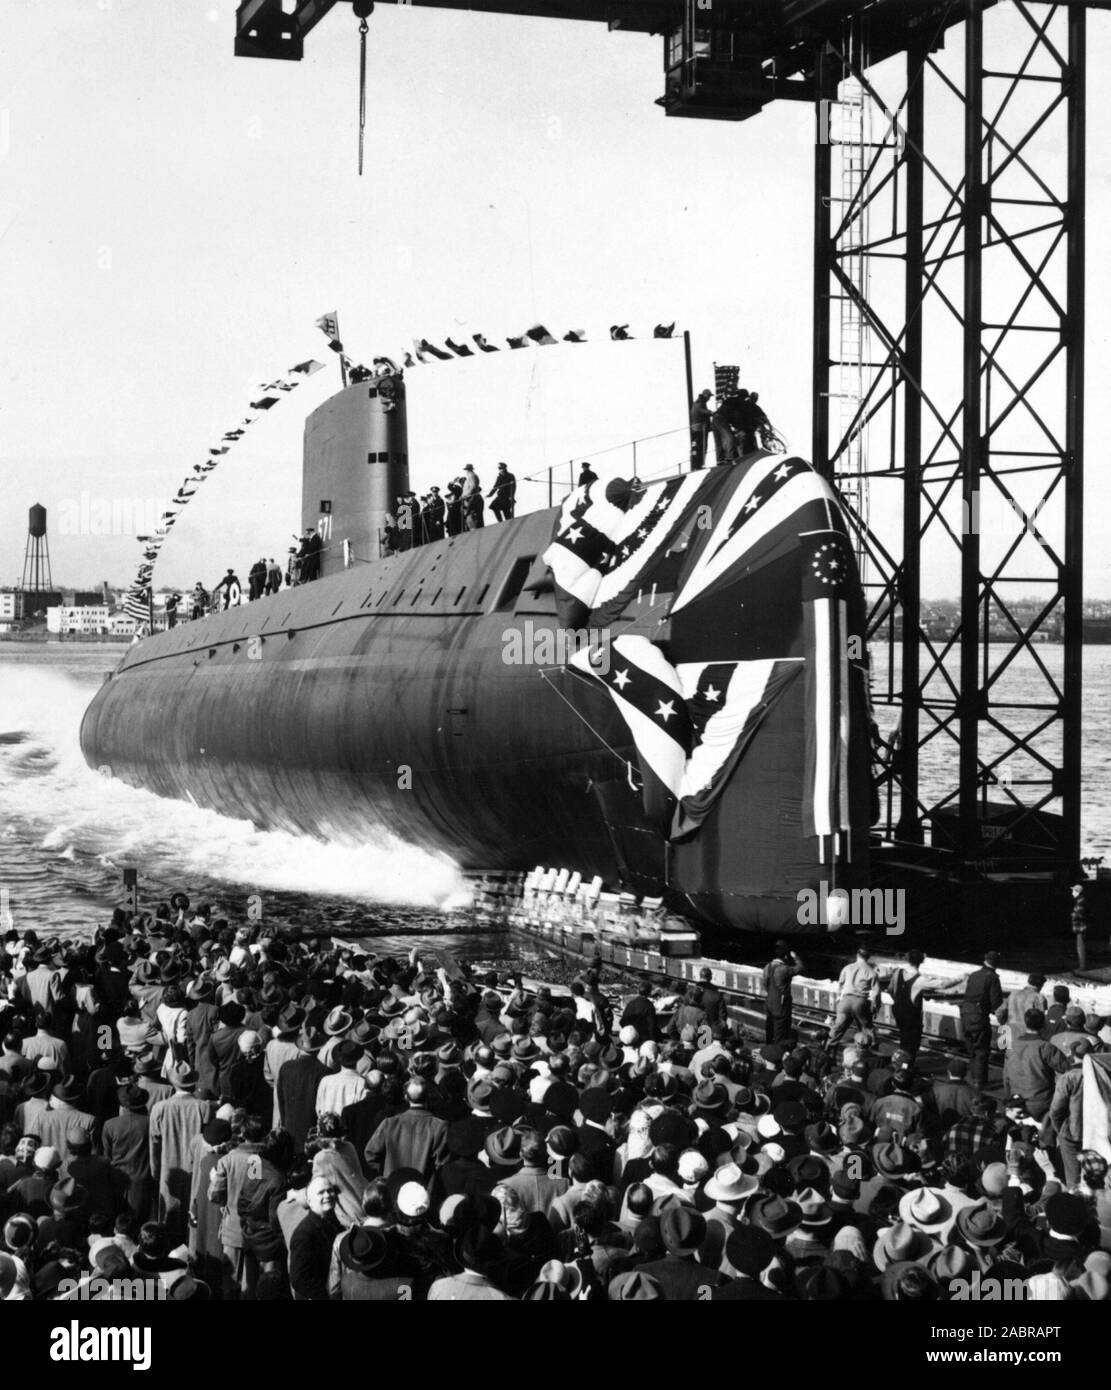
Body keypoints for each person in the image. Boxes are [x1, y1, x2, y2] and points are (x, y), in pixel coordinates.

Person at [959, 950, 1004, 1088]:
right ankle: (979, 1082)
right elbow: (996, 1002)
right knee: (981, 1050)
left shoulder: (973, 975)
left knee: (972, 1049)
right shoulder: (992, 977)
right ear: (996, 963)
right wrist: (1002, 1018)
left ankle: (974, 1078)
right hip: (978, 1017)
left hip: (965, 1014)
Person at [826, 946, 880, 1051]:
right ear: (868, 957)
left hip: (845, 1001)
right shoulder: (872, 972)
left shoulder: (847, 968)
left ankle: (828, 1049)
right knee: (867, 1028)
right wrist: (876, 1006)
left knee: (837, 1028)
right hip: (860, 1002)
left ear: (857, 955)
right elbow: (876, 992)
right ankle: (872, 1051)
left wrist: (838, 998)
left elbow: (840, 985)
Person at [763, 941, 802, 1045]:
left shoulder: (768, 966)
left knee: (769, 1028)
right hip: (781, 1005)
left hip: (769, 1002)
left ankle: (768, 1048)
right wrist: (795, 957)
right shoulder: (784, 969)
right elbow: (800, 968)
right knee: (780, 1030)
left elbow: (765, 984)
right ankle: (778, 1051)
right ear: (785, 955)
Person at [689, 389, 713, 470]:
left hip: (698, 429)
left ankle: (698, 464)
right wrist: (711, 412)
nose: (709, 398)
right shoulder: (700, 403)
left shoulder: (700, 402)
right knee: (700, 447)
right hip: (699, 429)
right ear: (705, 395)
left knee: (699, 447)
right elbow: (702, 411)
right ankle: (697, 465)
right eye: (709, 396)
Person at [460, 466, 483, 530]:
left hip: (471, 499)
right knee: (469, 520)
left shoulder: (472, 476)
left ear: (469, 470)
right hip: (468, 500)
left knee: (471, 519)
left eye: (466, 470)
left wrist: (466, 495)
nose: (466, 472)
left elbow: (473, 486)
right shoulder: (470, 477)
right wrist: (462, 496)